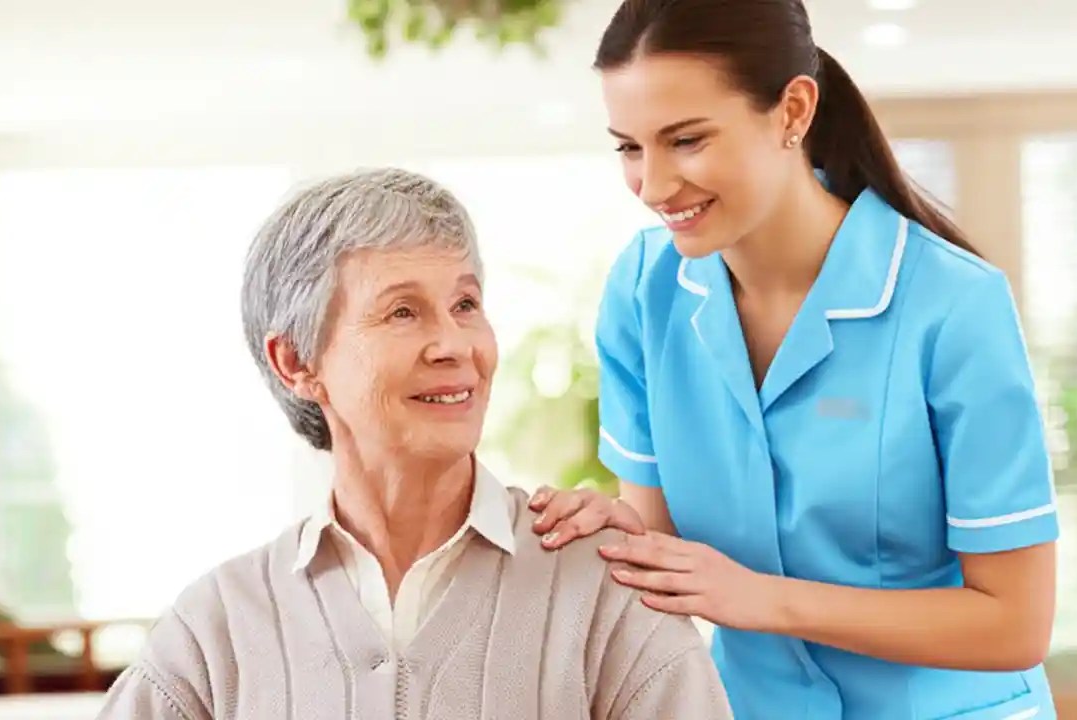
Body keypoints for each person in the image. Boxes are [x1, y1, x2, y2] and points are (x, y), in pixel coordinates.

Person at [530, 1, 1060, 718]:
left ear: (792, 111)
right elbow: (664, 540)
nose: (653, 187)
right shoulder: (643, 289)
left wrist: (765, 600)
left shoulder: (952, 304)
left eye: (685, 140)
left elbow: (1015, 624)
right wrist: (611, 531)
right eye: (629, 148)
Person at [96, 168, 733, 720]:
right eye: (403, 312)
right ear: (296, 362)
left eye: (465, 304)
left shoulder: (605, 590)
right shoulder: (217, 629)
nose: (454, 345)